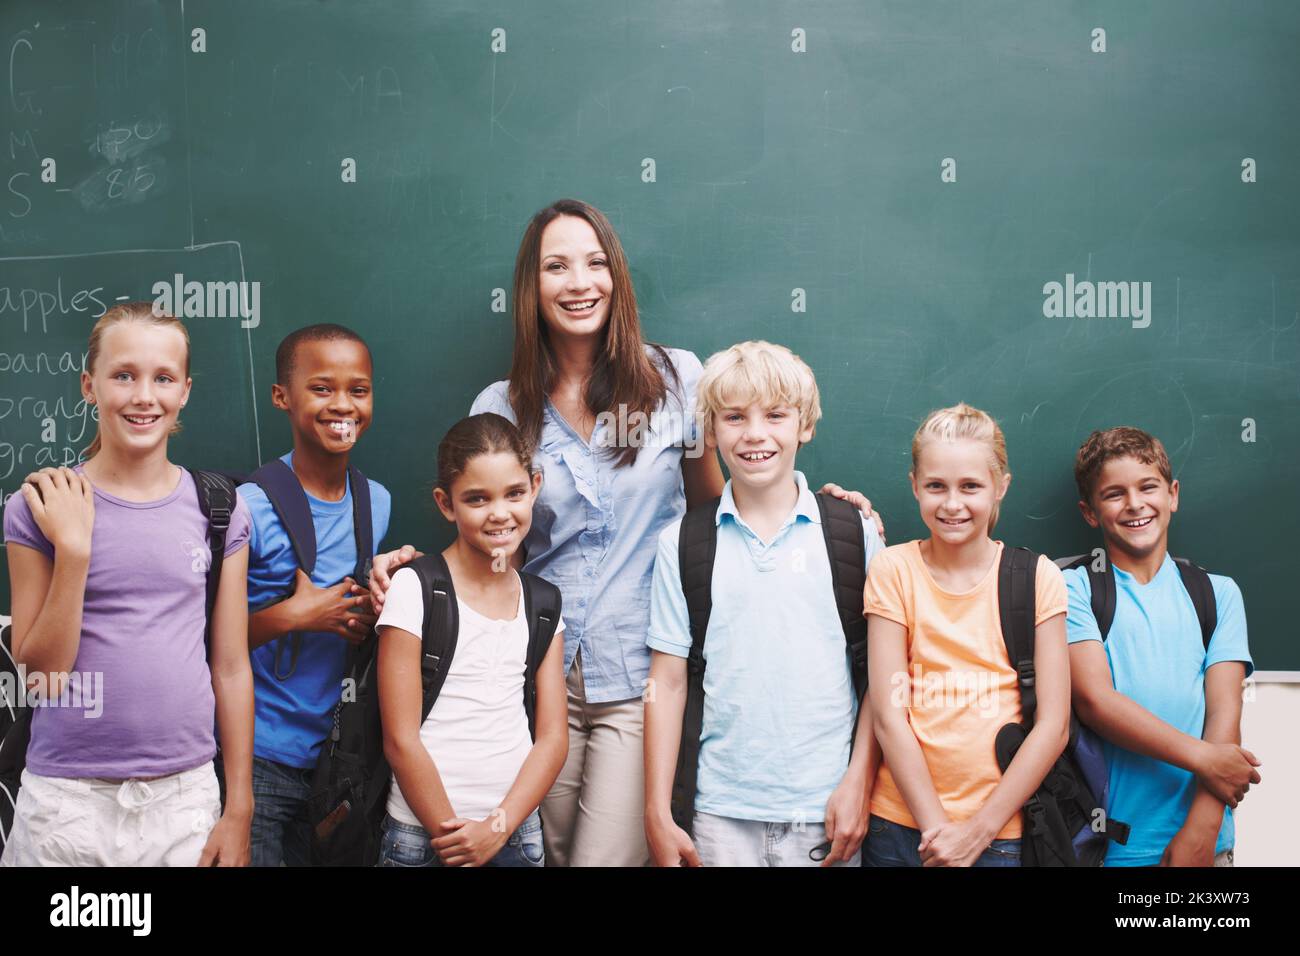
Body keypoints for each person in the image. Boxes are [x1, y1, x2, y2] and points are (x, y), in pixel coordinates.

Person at [370, 198, 880, 866]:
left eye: (594, 262)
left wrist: (822, 512)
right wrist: (413, 568)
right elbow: (492, 545)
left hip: (642, 675)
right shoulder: (501, 408)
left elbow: (717, 511)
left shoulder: (677, 381)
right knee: (539, 854)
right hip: (533, 680)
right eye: (556, 266)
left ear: (616, 276)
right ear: (532, 287)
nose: (579, 282)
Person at [1, 302, 254, 866]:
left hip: (184, 801)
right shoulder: (38, 507)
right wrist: (74, 550)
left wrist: (239, 809)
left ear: (185, 390)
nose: (144, 396)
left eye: (163, 378)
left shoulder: (219, 509)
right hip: (67, 803)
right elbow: (40, 677)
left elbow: (232, 665)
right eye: (123, 375)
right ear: (89, 386)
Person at [644, 341, 884, 866]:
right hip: (716, 814)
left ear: (805, 425)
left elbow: (881, 677)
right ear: (710, 431)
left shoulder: (852, 532)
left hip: (827, 806)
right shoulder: (682, 543)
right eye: (733, 417)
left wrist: (858, 782)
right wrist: (658, 810)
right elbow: (666, 681)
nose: (755, 434)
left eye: (775, 415)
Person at [864, 403, 1070, 866]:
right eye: (936, 486)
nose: (952, 504)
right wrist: (938, 830)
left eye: (971, 487)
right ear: (914, 485)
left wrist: (977, 833)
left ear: (1001, 487)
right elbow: (888, 717)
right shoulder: (892, 570)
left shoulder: (1036, 577)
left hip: (1002, 831)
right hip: (900, 827)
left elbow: (1053, 725)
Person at [374, 414, 567, 866]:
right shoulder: (415, 588)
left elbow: (553, 738)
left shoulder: (543, 603)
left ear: (535, 486)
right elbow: (400, 740)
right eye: (477, 499)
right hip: (422, 839)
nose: (500, 513)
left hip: (515, 835)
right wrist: (457, 841)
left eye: (515, 493)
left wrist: (497, 828)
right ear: (446, 504)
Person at [1064, 426, 1259, 866]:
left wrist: (1203, 829)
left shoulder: (1218, 593)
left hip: (1204, 844)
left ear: (1172, 494)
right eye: (1114, 494)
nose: (1135, 504)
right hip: (1108, 849)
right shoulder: (1073, 589)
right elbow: (1096, 701)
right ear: (1090, 512)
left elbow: (1224, 712)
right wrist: (1207, 760)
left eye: (1147, 487)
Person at [239, 324, 393, 866]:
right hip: (252, 754)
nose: (343, 405)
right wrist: (296, 615)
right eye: (322, 388)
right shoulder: (250, 507)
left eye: (358, 389)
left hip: (331, 762)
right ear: (282, 397)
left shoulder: (375, 502)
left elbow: (345, 610)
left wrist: (375, 609)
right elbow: (204, 640)